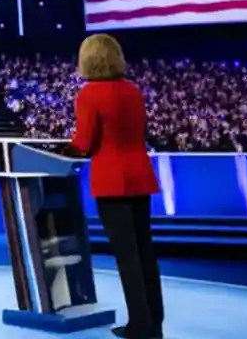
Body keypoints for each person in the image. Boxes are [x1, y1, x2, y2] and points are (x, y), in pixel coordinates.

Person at [68, 34, 164, 339]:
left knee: (127, 256)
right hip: (139, 175)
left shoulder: (89, 94)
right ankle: (154, 322)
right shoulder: (133, 90)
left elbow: (84, 143)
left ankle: (139, 325)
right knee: (145, 252)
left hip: (112, 180)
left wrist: (60, 150)